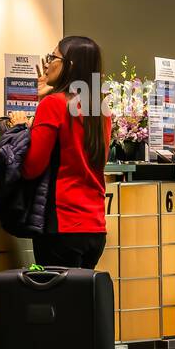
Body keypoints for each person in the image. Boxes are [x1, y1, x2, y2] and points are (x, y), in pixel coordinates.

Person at [16, 36, 111, 269]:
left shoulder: (53, 105)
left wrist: (20, 129)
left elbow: (32, 167)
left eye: (53, 57)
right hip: (94, 227)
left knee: (58, 303)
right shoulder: (100, 110)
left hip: (61, 224)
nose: (47, 64)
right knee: (81, 302)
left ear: (70, 65)